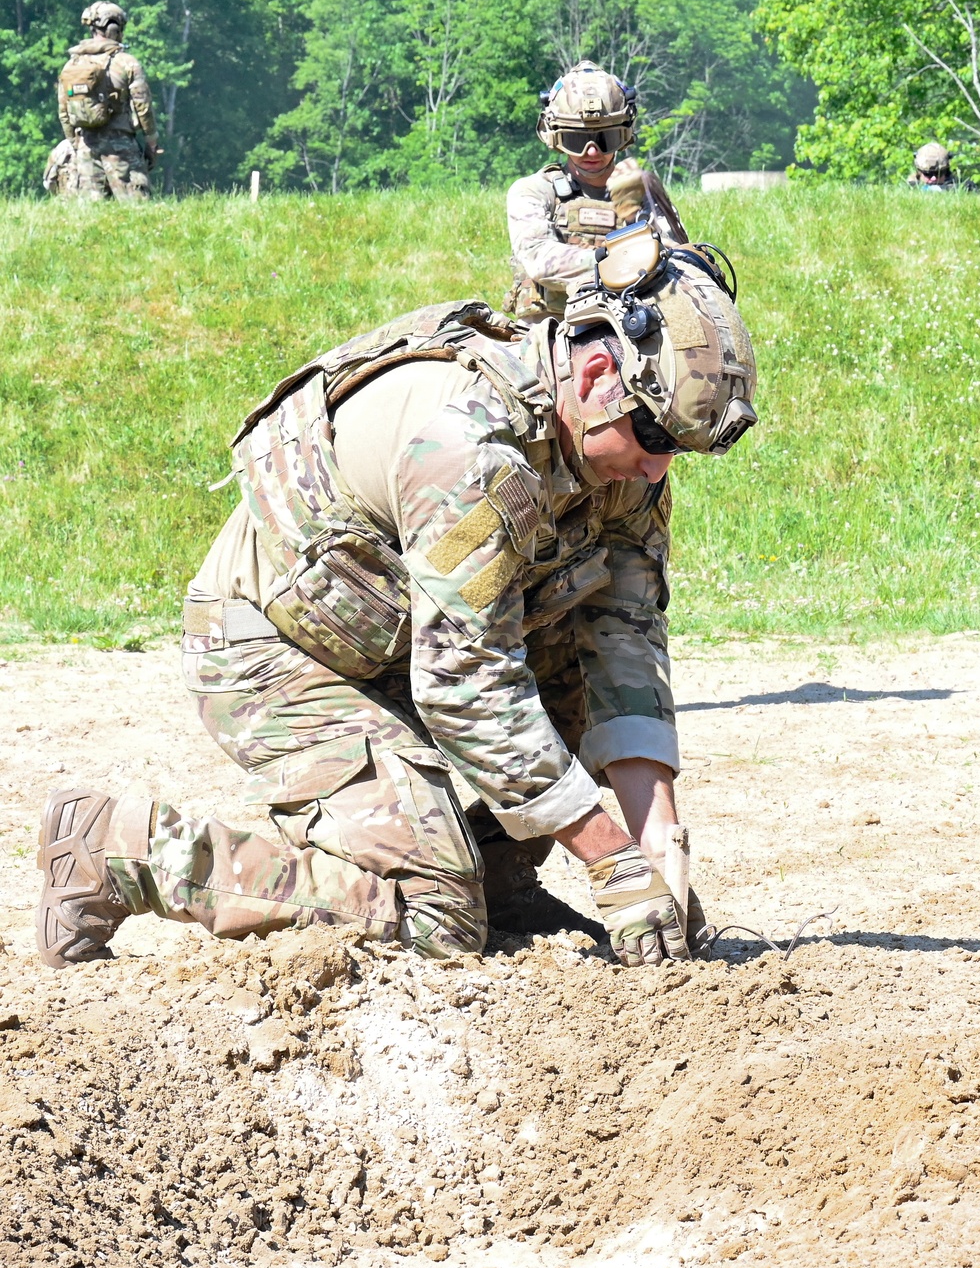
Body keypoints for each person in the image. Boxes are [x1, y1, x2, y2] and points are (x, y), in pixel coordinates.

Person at [36, 222, 758, 973]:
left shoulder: (623, 455)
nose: (655, 469)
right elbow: (469, 688)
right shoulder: (468, 452)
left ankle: (498, 874)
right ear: (597, 371)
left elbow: (625, 636)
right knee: (433, 917)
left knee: (575, 642)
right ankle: (117, 848)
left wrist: (656, 845)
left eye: (676, 447)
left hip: (409, 641)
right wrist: (608, 857)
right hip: (279, 654)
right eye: (655, 438)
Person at [505, 60, 688, 323]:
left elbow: (678, 261)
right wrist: (618, 261)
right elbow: (538, 258)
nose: (592, 151)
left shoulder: (638, 191)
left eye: (605, 139)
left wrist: (636, 214)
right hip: (550, 333)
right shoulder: (534, 191)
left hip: (631, 327)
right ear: (556, 137)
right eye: (577, 140)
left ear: (624, 136)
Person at [57, 2, 159, 202]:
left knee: (92, 216)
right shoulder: (126, 62)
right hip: (120, 149)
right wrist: (151, 139)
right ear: (117, 28)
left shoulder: (72, 64)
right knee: (138, 213)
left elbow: (64, 111)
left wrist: (75, 144)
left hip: (86, 146)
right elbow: (143, 106)